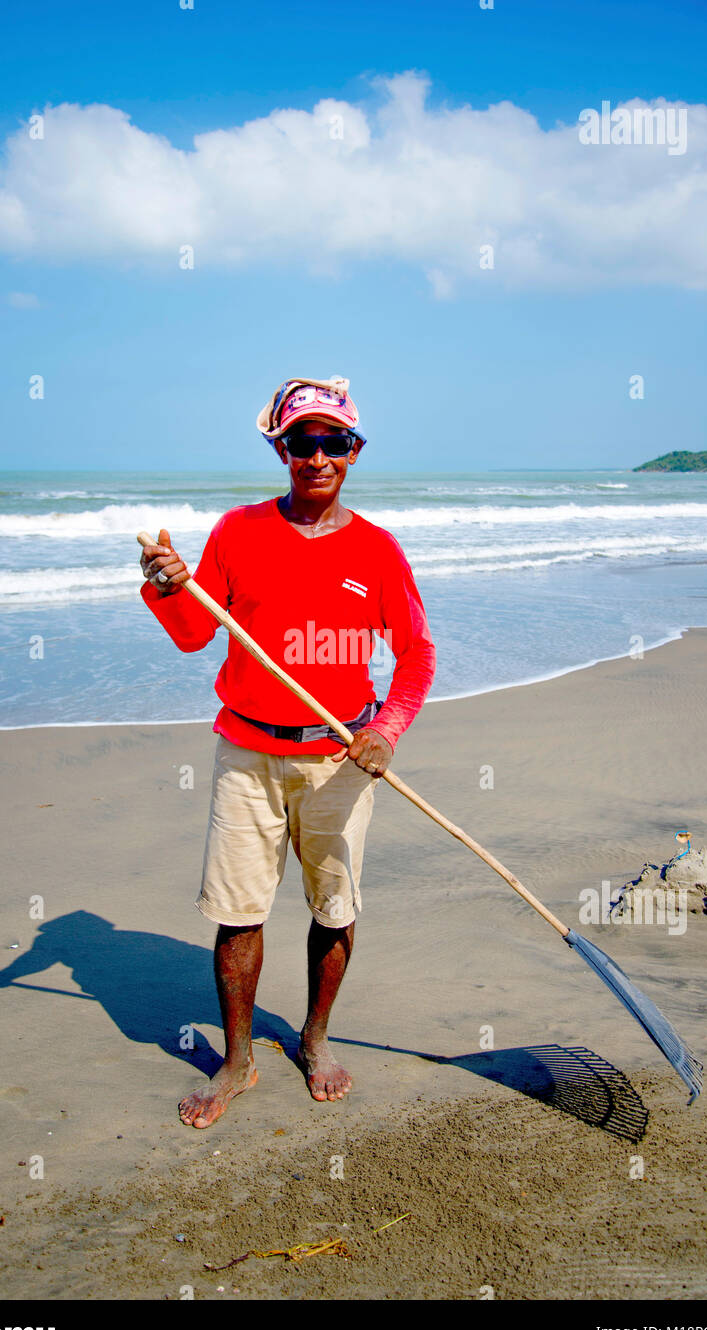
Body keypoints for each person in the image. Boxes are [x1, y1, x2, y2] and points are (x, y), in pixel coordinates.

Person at [139, 377, 436, 1128]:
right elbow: (190, 632)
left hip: (339, 759)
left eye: (331, 441)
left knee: (332, 909)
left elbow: (416, 655)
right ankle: (237, 1062)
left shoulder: (376, 550)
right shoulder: (237, 531)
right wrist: (166, 584)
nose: (317, 455)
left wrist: (385, 730)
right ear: (280, 449)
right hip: (245, 751)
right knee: (238, 914)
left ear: (353, 451)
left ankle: (314, 1038)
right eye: (301, 441)